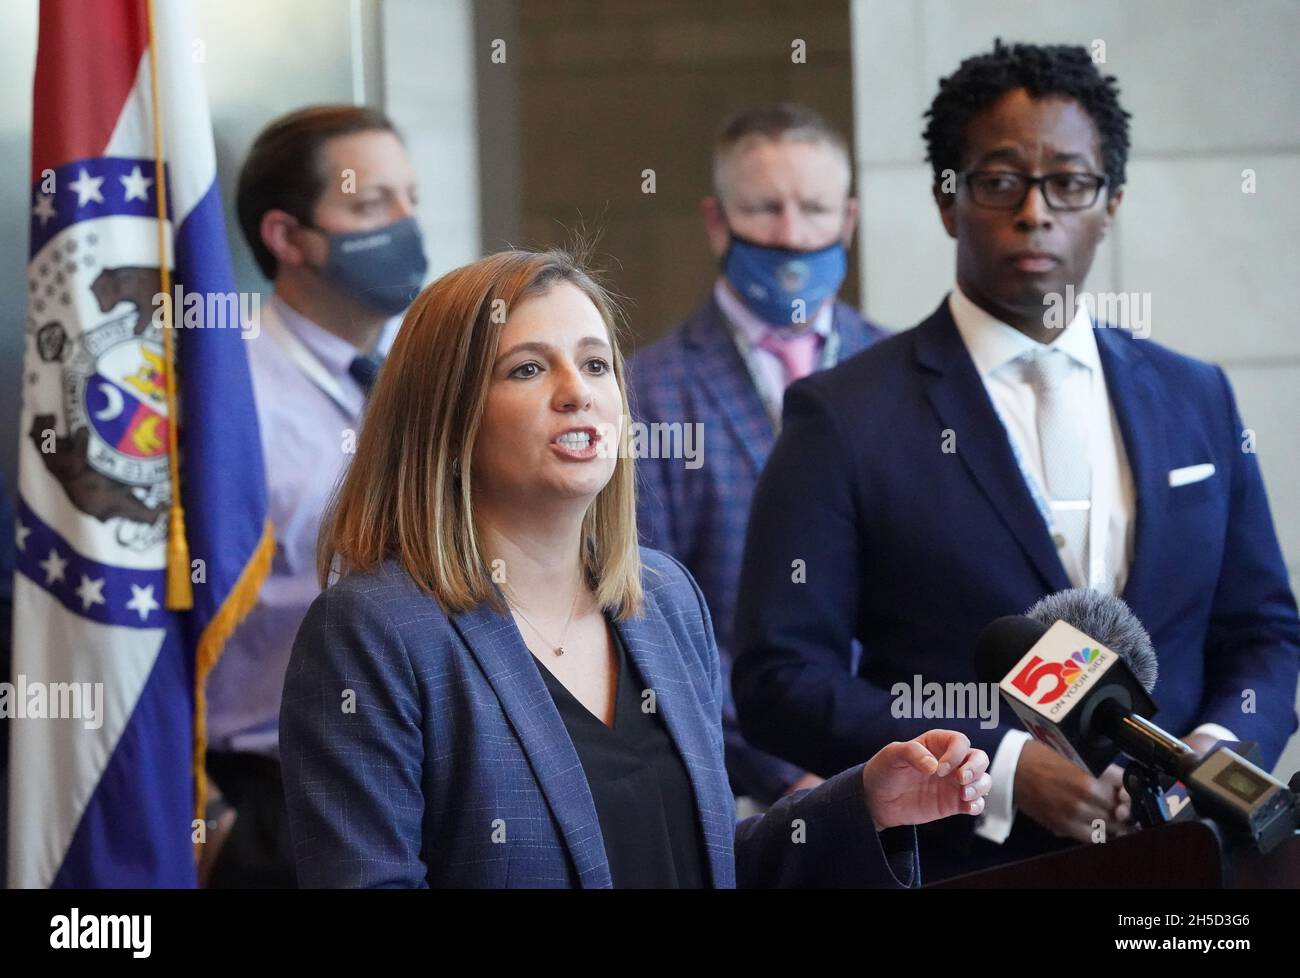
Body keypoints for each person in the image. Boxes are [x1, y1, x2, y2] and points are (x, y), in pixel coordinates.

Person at [732, 41, 1300, 882]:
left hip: (1195, 868)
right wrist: (997, 767)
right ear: (946, 200)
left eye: (1069, 183)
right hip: (973, 864)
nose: (1036, 212)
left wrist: (1206, 754)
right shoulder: (843, 416)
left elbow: (1264, 631)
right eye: (1000, 181)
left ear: (1109, 204)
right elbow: (781, 679)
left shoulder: (1196, 397)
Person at [278, 248, 990, 888]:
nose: (576, 391)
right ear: (445, 417)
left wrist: (861, 806)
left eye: (595, 364)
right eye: (528, 368)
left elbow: (688, 860)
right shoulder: (374, 632)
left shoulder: (663, 598)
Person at [630, 104, 887, 807]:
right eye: (765, 208)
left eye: (814, 208)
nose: (791, 234)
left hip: (907, 765)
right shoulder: (644, 392)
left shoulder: (908, 374)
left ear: (849, 220)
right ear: (717, 222)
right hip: (735, 786)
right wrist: (788, 775)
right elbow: (643, 605)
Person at [201, 105, 426, 887]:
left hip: (432, 782)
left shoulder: (428, 382)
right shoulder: (222, 396)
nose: (405, 225)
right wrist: (214, 828)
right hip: (278, 803)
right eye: (371, 206)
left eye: (411, 199)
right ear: (287, 237)